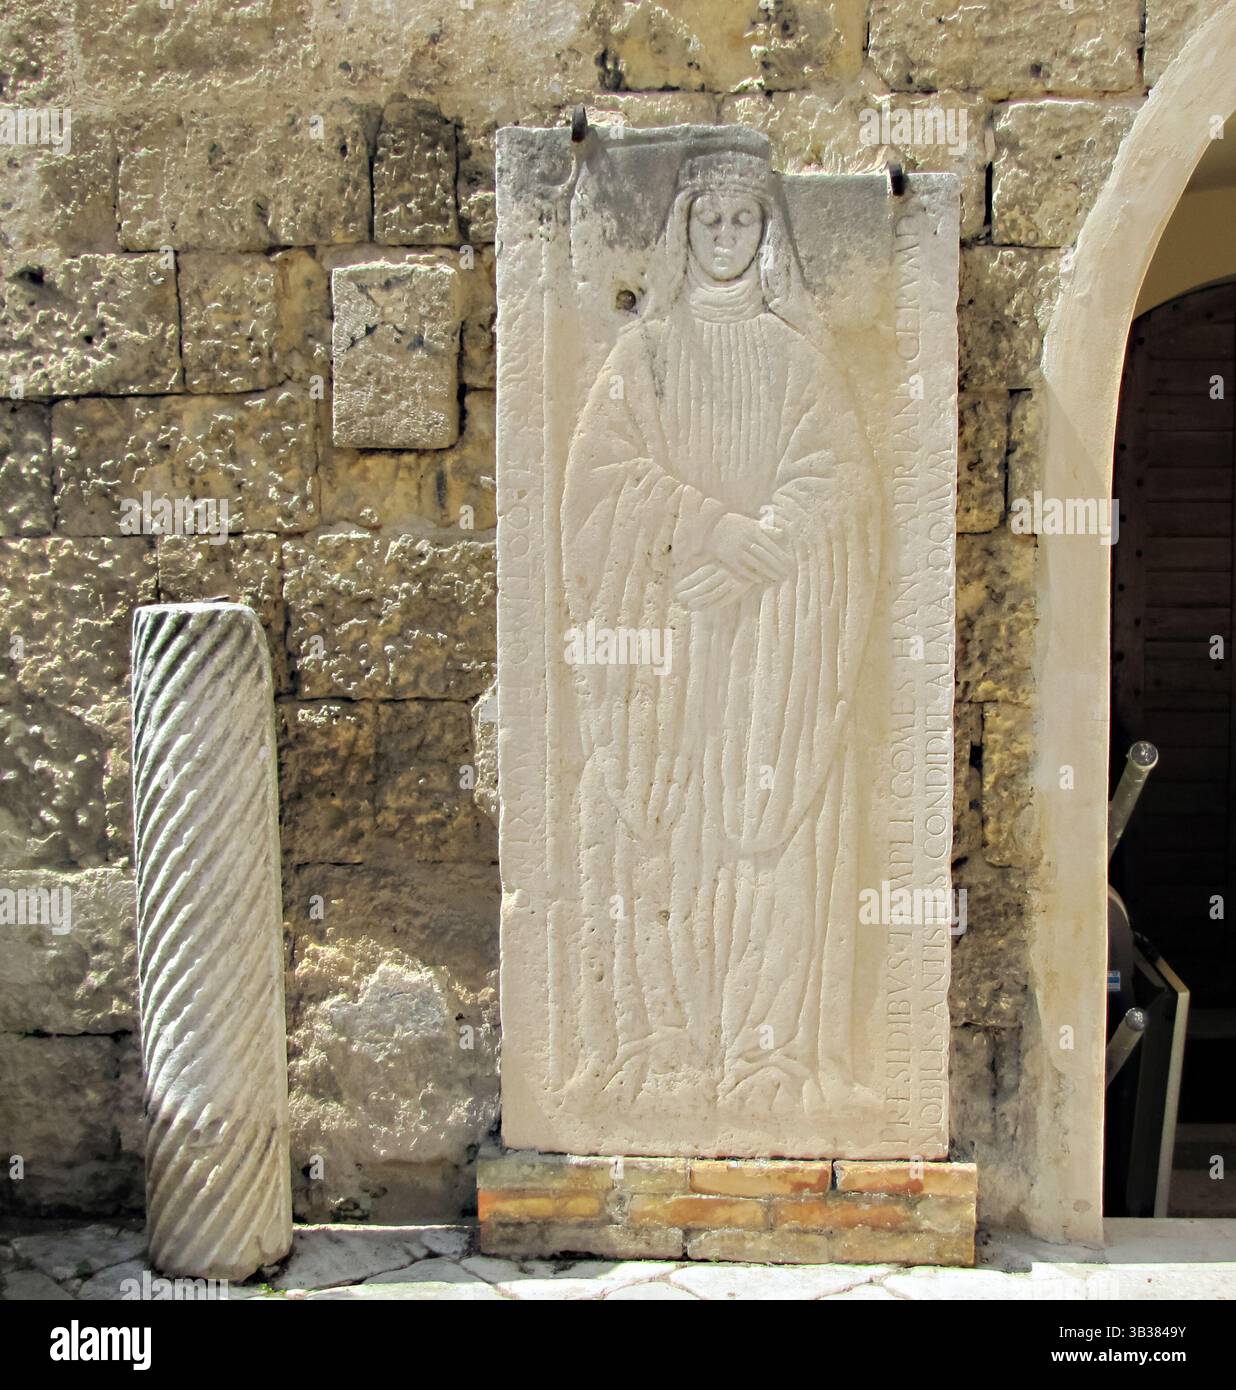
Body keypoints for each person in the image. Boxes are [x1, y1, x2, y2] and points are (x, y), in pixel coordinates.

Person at [561, 148, 881, 1124]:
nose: (727, 238)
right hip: (666, 643)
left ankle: (765, 1053)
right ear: (685, 229)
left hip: (774, 648)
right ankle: (664, 1046)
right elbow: (600, 489)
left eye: (746, 221)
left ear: (767, 233)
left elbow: (841, 489)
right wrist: (702, 531)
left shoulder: (798, 362)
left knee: (773, 835)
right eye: (711, 221)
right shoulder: (642, 358)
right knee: (654, 833)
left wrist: (761, 549)